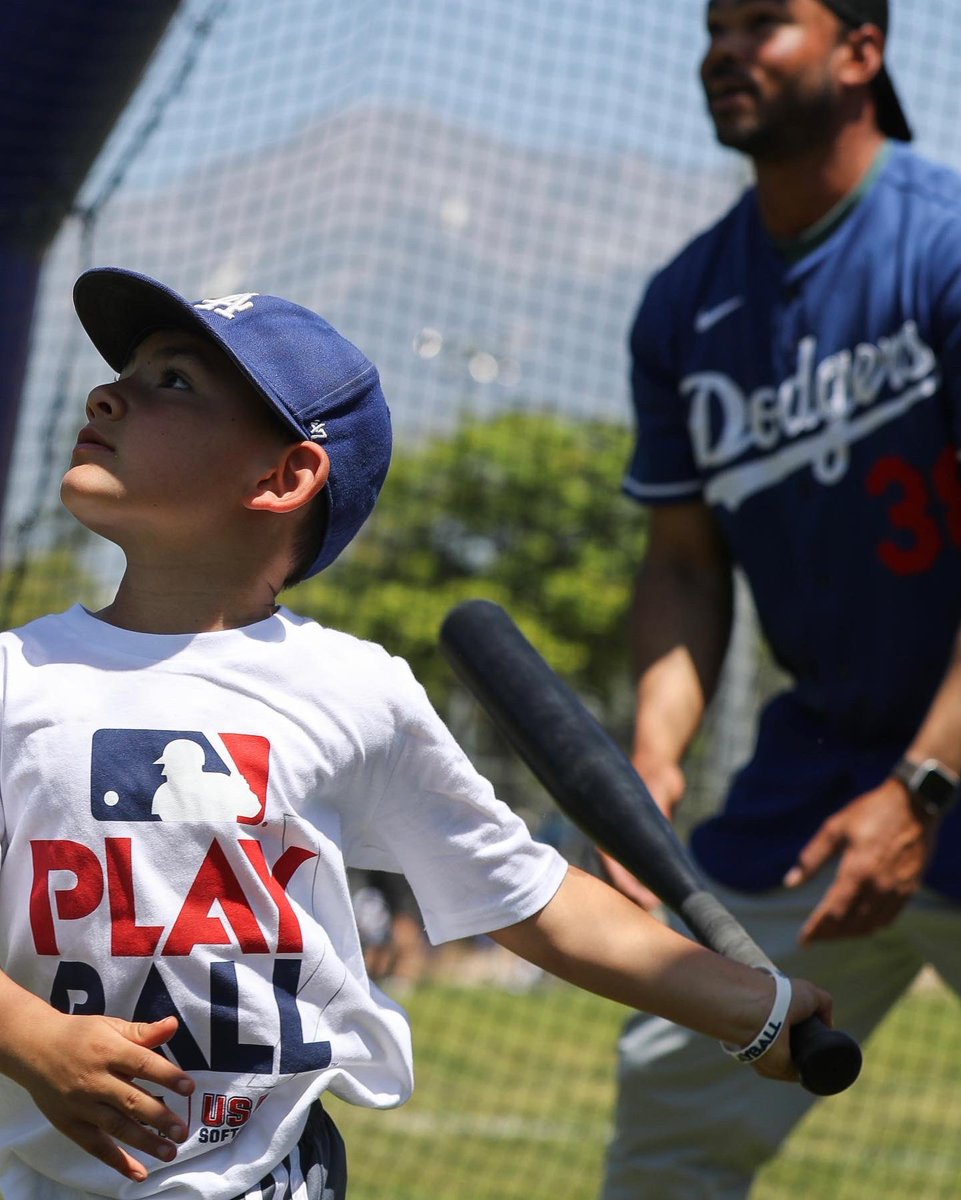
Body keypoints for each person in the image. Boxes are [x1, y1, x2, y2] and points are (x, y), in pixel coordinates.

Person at [0, 267, 829, 1200]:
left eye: (174, 381)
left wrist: (753, 1008)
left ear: (285, 475)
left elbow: (528, 897)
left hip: (265, 1178)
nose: (106, 392)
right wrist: (29, 1038)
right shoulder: (11, 680)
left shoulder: (352, 690)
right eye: (127, 372)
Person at [600, 1, 961, 1197]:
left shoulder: (944, 247)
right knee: (673, 1095)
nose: (723, 49)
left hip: (939, 754)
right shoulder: (683, 303)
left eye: (765, 21)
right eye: (713, 24)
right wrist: (653, 759)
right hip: (819, 769)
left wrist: (923, 786)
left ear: (861, 51)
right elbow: (687, 563)